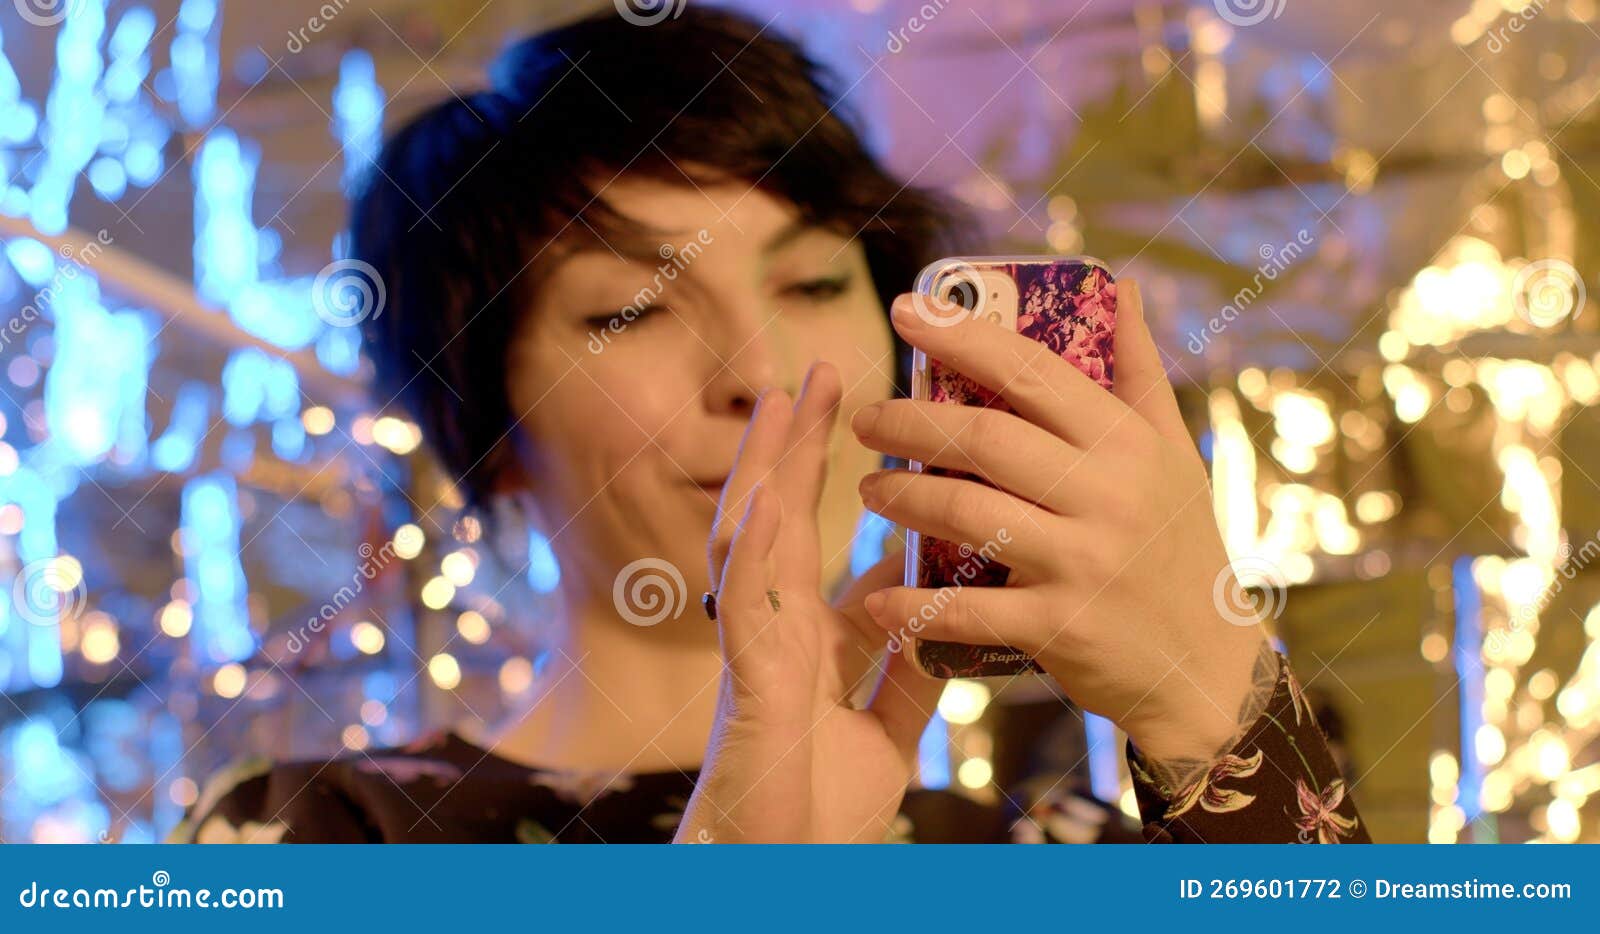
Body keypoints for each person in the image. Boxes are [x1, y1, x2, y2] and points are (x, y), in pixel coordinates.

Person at [173, 7, 1366, 845]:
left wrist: (1210, 706)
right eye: (633, 309)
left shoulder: (1047, 854)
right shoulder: (318, 841)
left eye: (808, 289)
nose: (760, 374)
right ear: (483, 421)